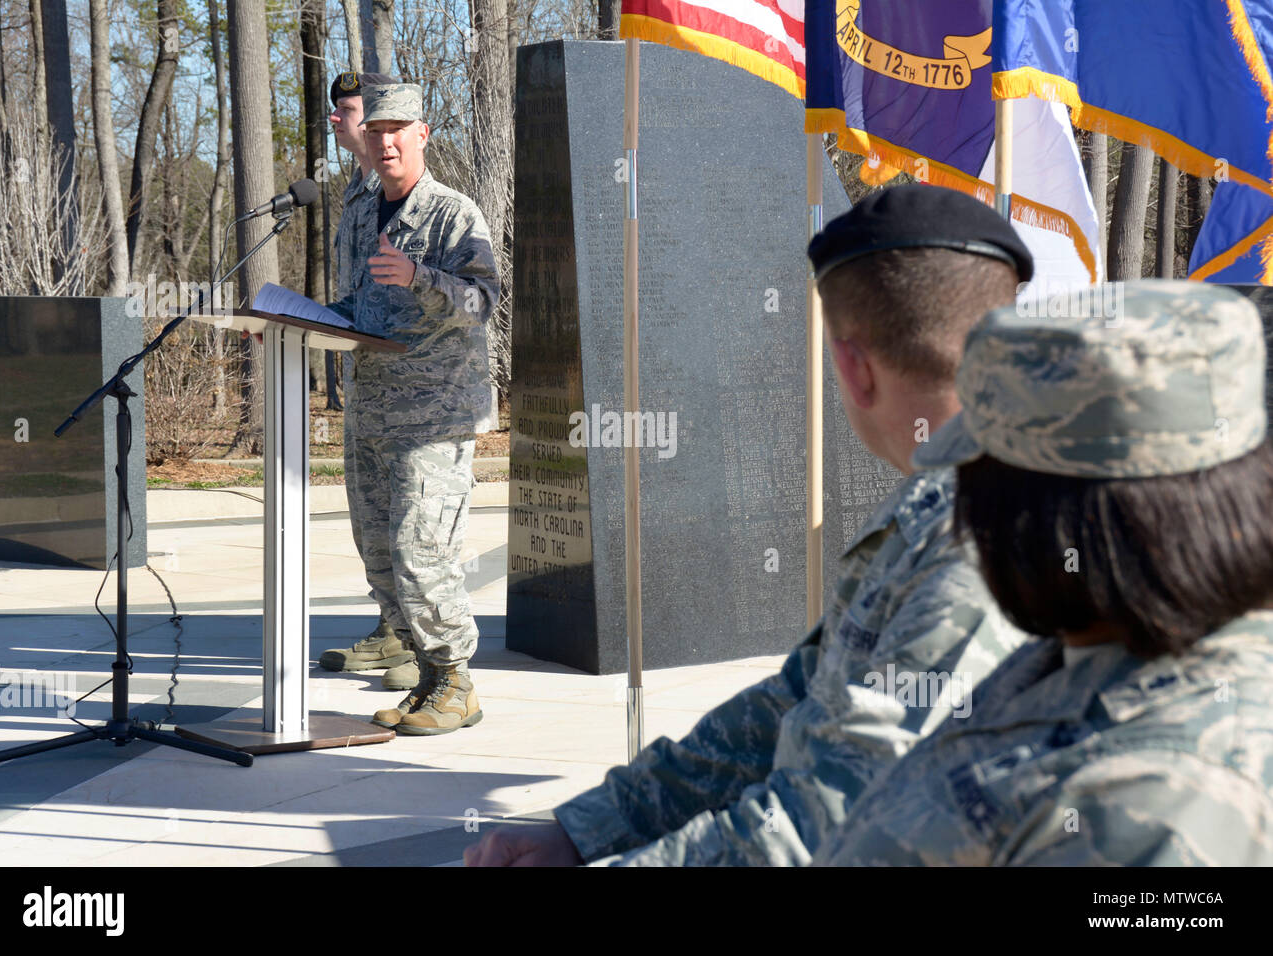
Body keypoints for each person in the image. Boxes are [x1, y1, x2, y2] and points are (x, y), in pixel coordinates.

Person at [465, 185, 1033, 866]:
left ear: (852, 368)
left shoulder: (988, 543)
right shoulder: (950, 501)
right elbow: (792, 705)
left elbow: (836, 822)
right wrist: (587, 831)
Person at [811, 280, 1273, 866]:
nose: (963, 523)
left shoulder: (1155, 803)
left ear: (1040, 516)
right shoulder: (1091, 659)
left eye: (972, 485)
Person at [324, 82, 499, 735]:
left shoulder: (453, 215)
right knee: (378, 554)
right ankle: (428, 680)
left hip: (433, 418)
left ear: (424, 134)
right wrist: (293, 321)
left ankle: (457, 682)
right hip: (370, 413)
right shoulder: (361, 215)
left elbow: (483, 301)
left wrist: (421, 278)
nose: (388, 140)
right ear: (365, 140)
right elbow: (355, 309)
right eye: (377, 130)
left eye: (400, 128)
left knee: (419, 550)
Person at [316, 70, 416, 680]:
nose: (336, 119)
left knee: (414, 521)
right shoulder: (356, 192)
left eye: (348, 109)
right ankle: (390, 625)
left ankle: (422, 641)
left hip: (415, 390)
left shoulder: (409, 193)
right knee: (370, 516)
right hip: (366, 383)